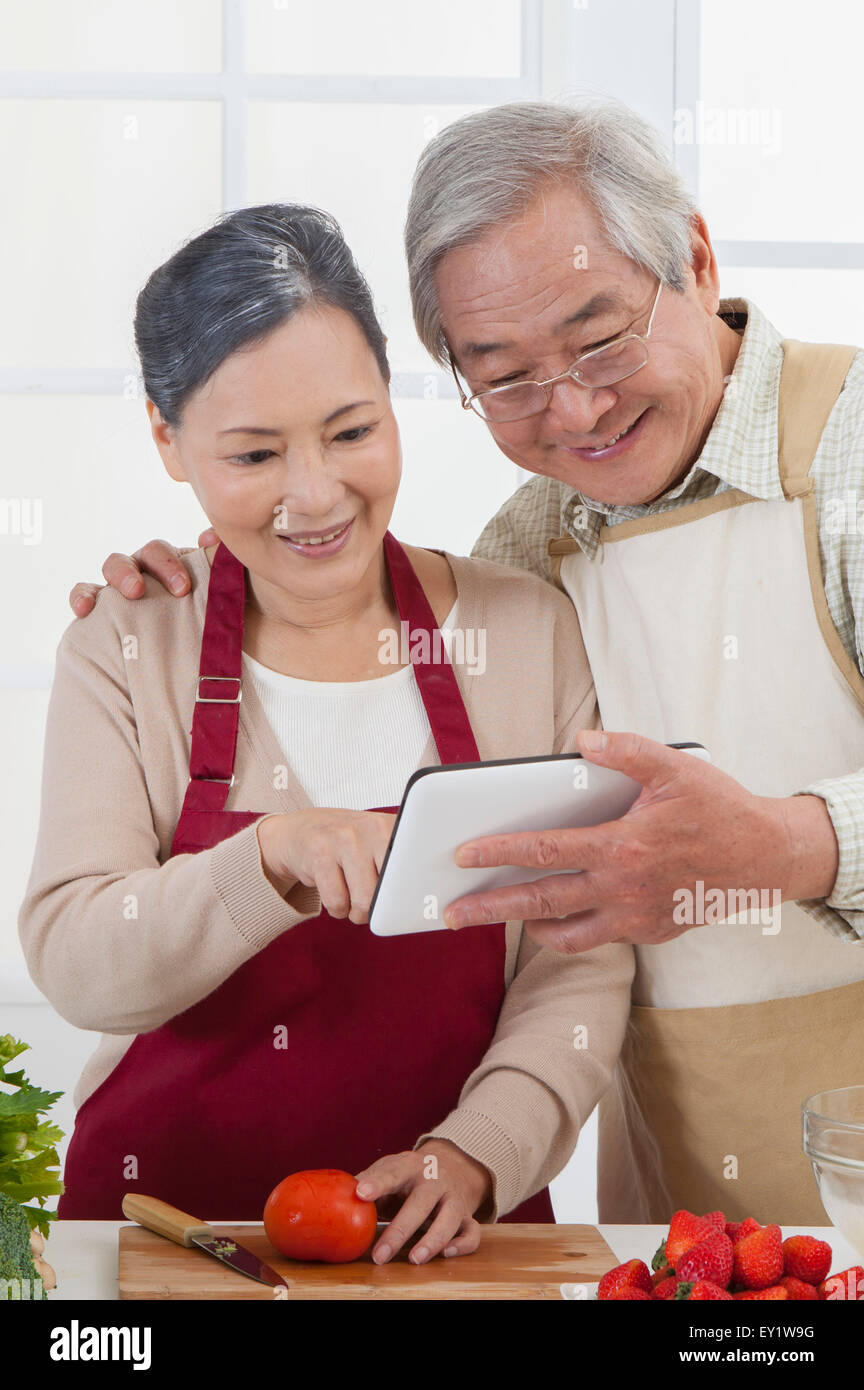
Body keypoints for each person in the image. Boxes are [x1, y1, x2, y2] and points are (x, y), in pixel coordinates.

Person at [78, 100, 864, 1226]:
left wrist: (783, 845)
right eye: (503, 376)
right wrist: (213, 568)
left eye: (601, 341)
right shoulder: (529, 551)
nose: (577, 409)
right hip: (691, 1218)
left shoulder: (853, 449)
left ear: (693, 257)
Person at [19, 202, 633, 1257]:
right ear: (167, 441)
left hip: (453, 1246)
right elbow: (78, 961)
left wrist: (483, 1146)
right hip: (164, 1240)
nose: (315, 496)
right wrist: (271, 856)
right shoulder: (127, 643)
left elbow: (580, 956)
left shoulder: (524, 630)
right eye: (254, 454)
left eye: (351, 431)